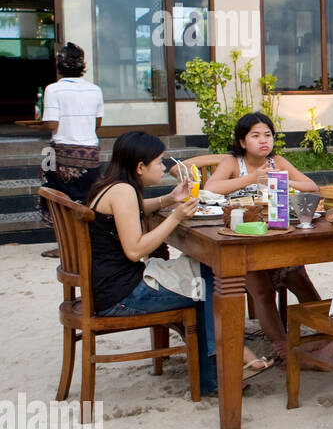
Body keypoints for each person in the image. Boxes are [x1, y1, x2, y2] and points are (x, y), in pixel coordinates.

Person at [83, 132, 265, 396]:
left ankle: (223, 364)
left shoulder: (111, 186)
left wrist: (169, 200)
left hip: (111, 287)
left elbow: (134, 210)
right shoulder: (123, 191)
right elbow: (135, 250)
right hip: (122, 296)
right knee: (211, 285)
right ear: (140, 167)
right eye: (158, 162)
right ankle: (219, 374)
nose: (162, 167)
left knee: (207, 271)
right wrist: (176, 217)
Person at [203, 113, 327, 367]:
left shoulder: (276, 161)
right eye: (255, 135)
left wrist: (279, 178)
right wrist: (250, 179)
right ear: (242, 141)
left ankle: (328, 335)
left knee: (299, 277)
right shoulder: (232, 162)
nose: (263, 141)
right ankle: (283, 348)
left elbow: (311, 186)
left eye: (268, 135)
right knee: (262, 289)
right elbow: (210, 188)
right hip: (241, 240)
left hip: (276, 235)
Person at [37, 43, 105, 258]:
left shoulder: (53, 89)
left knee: (57, 198)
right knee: (88, 198)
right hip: (91, 153)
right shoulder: (95, 89)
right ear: (83, 65)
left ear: (59, 66)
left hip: (62, 153)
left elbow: (52, 124)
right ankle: (88, 243)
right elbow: (98, 123)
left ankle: (65, 246)